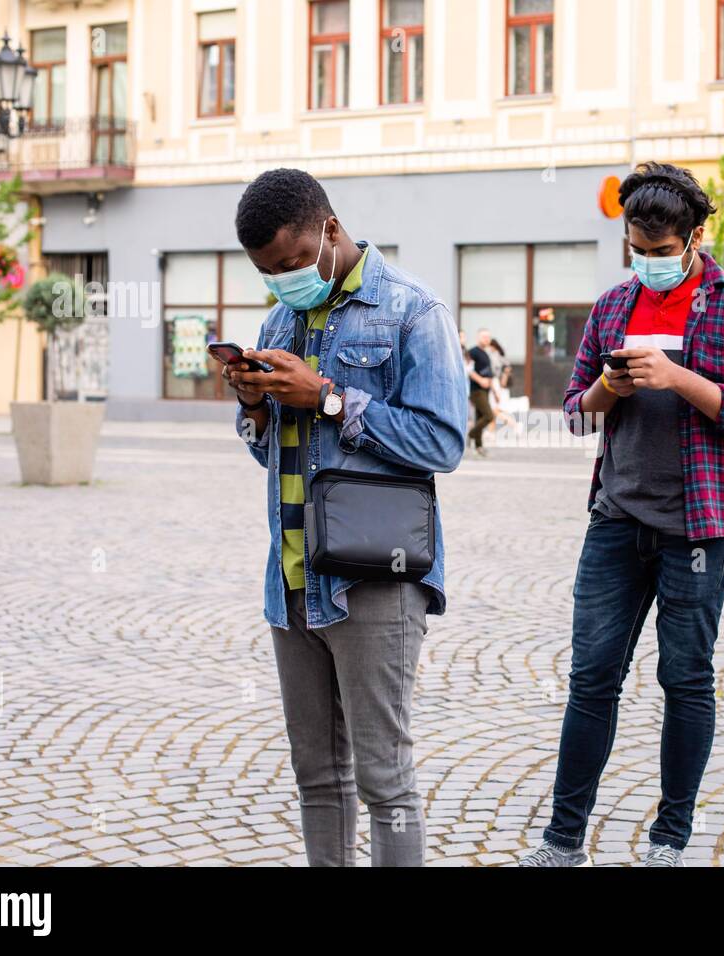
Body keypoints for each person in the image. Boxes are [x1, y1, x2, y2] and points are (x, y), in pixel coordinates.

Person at [518, 162, 724, 867]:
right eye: (637, 250)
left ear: (697, 236)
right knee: (592, 676)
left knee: (686, 677)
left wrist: (680, 379)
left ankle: (670, 839)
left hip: (701, 525)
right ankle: (562, 840)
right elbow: (574, 415)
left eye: (663, 253)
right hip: (616, 519)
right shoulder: (613, 304)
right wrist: (607, 386)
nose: (649, 264)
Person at [225, 168, 468, 866]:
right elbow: (277, 455)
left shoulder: (412, 309)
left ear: (331, 230)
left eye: (295, 263)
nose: (285, 280)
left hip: (377, 577)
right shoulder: (281, 320)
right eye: (270, 272)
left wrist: (330, 399)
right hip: (294, 578)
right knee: (317, 777)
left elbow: (443, 442)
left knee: (384, 779)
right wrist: (253, 408)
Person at [467, 328, 496, 457]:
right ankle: (470, 434)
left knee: (480, 417)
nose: (486, 339)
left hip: (486, 390)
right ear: (478, 337)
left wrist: (495, 391)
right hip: (477, 390)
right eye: (484, 337)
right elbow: (468, 369)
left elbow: (490, 374)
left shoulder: (486, 353)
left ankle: (479, 447)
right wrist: (480, 380)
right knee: (489, 416)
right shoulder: (473, 352)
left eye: (488, 337)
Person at [486, 337, 520, 431]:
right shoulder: (500, 356)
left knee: (494, 410)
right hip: (497, 384)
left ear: (493, 346)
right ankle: (490, 433)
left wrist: (500, 387)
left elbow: (504, 371)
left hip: (497, 385)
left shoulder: (495, 357)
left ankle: (514, 424)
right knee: (494, 410)